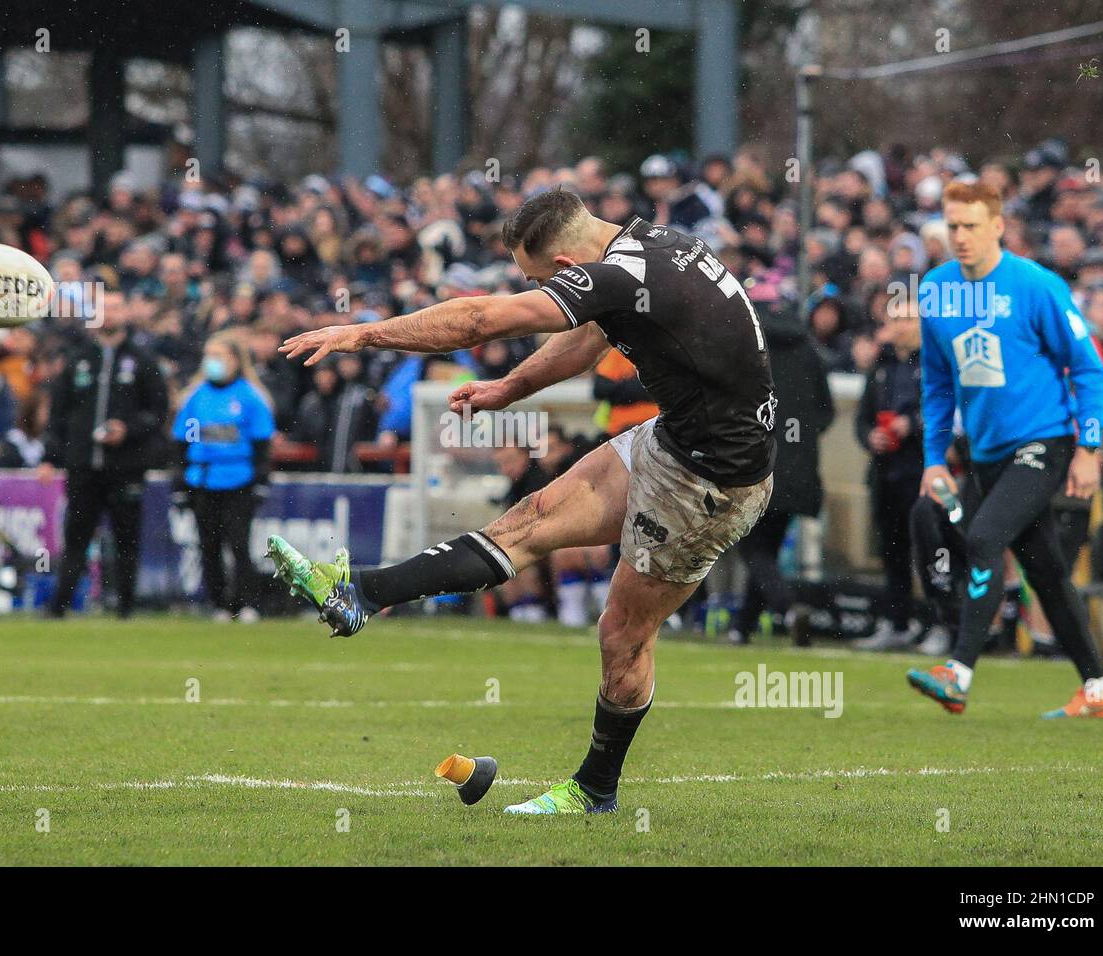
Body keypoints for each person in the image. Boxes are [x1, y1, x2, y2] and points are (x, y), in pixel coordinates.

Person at [268, 188, 775, 814]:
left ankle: (594, 791)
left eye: (535, 279)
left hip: (711, 480)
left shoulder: (621, 272)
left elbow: (480, 319)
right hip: (675, 440)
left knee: (622, 633)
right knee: (528, 521)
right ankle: (360, 595)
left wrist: (364, 334)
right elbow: (591, 339)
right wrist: (512, 386)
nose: (532, 286)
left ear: (563, 266)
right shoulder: (652, 245)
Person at [908, 181, 1103, 718]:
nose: (960, 236)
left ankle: (957, 672)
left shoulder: (1035, 285)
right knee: (1046, 571)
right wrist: (934, 458)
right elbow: (936, 384)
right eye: (952, 225)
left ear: (998, 226)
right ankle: (1099, 689)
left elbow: (1089, 368)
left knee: (983, 537)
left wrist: (1089, 448)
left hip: (1044, 442)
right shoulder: (934, 290)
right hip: (985, 455)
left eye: (971, 226)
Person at [41, 290, 168, 618]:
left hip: (126, 466)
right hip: (83, 466)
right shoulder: (77, 358)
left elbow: (157, 412)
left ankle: (125, 608)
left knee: (127, 539)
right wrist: (50, 456)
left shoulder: (143, 361)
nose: (109, 314)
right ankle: (60, 607)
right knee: (76, 537)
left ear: (126, 313)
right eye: (103, 308)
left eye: (115, 307)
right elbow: (58, 414)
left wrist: (128, 429)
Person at [727, 298, 833, 646]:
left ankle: (787, 609)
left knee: (752, 549)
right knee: (765, 552)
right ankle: (742, 626)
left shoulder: (751, 351)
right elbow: (826, 413)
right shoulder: (810, 352)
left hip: (757, 466)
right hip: (800, 473)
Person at [173, 331, 276, 622]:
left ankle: (247, 603)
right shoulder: (196, 397)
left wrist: (260, 483)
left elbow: (261, 446)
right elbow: (181, 443)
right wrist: (180, 483)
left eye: (217, 356)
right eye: (208, 356)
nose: (211, 362)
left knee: (239, 544)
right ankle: (219, 603)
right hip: (202, 481)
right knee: (208, 545)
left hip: (239, 480)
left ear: (234, 360)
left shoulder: (249, 397)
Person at [852, 298, 924, 650]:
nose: (901, 325)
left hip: (922, 471)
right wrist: (871, 437)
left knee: (929, 551)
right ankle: (897, 622)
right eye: (896, 319)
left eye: (908, 318)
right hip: (885, 472)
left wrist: (912, 425)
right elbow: (862, 418)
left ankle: (936, 623)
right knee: (892, 550)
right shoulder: (881, 365)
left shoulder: (934, 365)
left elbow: (948, 408)